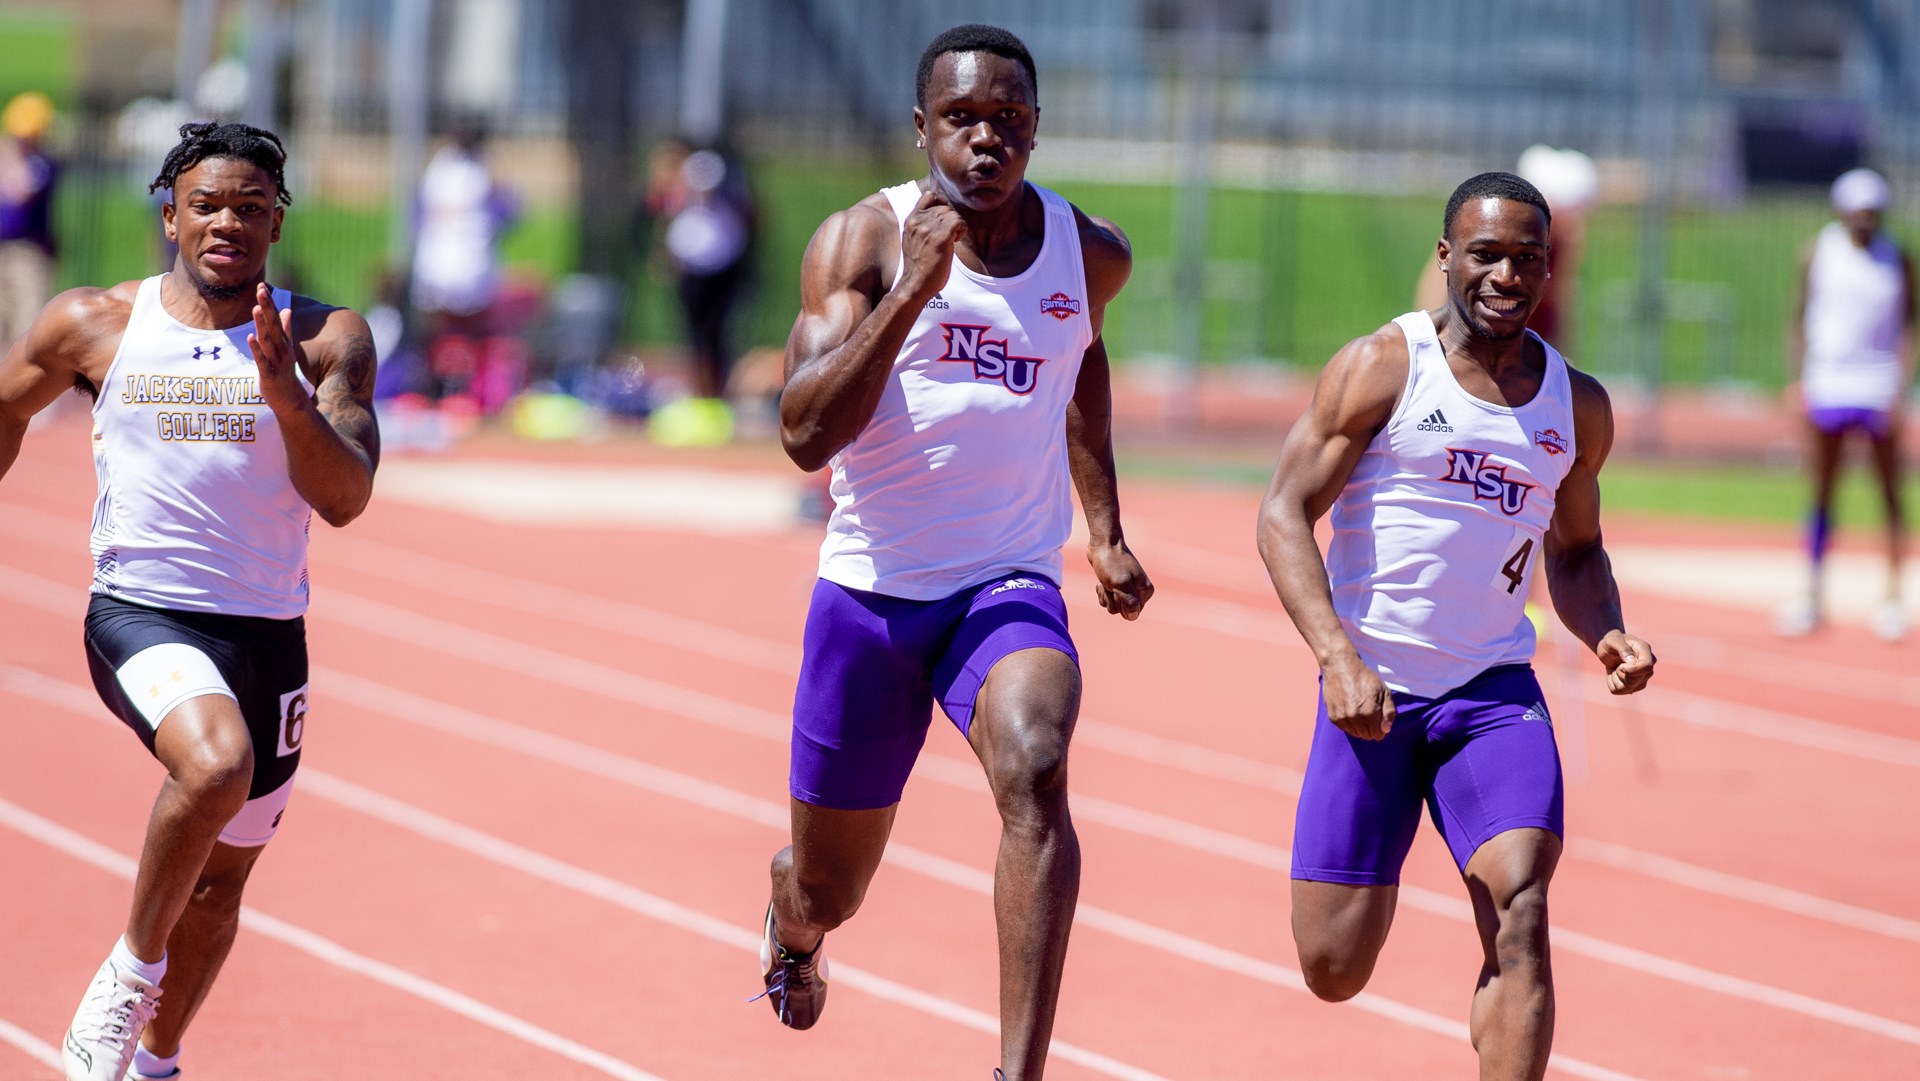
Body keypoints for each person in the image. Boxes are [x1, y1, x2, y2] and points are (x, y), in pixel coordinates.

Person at [757, 24, 1152, 1081]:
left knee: (1037, 759)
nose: (987, 140)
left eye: (1009, 121)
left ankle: (1016, 1069)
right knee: (831, 885)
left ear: (1036, 129)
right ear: (922, 127)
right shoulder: (864, 243)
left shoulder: (1088, 252)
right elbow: (802, 434)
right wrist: (911, 296)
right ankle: (794, 926)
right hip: (872, 596)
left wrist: (1102, 525)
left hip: (1006, 579)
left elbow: (1082, 360)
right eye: (964, 120)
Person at [0, 121, 379, 1081]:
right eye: (207, 205)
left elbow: (344, 500)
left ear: (278, 225)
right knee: (216, 767)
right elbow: (6, 405)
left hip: (269, 637)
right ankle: (126, 978)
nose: (227, 223)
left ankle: (156, 1061)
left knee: (220, 887)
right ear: (169, 216)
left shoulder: (326, 338)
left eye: (251, 208)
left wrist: (284, 393)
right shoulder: (94, 324)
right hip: (142, 613)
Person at [1257, 172, 1654, 1081]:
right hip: (1373, 697)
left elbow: (1579, 552)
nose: (1506, 275)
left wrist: (1608, 633)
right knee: (1332, 965)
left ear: (1549, 268)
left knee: (1522, 906)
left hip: (1491, 695)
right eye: (1485, 255)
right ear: (1446, 259)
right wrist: (1336, 658)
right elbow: (1283, 513)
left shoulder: (1575, 407)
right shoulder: (1382, 367)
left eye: (1527, 258)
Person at [1777, 167, 1915, 641]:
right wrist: (1798, 380)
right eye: (1858, 213)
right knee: (1821, 490)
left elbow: (1909, 324)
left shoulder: (1897, 257)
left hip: (1878, 384)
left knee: (1890, 492)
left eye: (1872, 214)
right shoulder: (1819, 251)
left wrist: (1901, 385)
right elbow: (1798, 316)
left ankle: (1894, 597)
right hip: (1828, 383)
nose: (1865, 221)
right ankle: (1812, 595)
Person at [647, 141, 758, 447]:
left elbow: (750, 220)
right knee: (693, 335)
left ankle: (716, 397)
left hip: (722, 272)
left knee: (717, 335)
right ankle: (699, 395)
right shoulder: (680, 199)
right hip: (691, 273)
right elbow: (663, 220)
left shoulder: (731, 201)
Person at [409, 118, 517, 410]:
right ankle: (454, 388)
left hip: (449, 258)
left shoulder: (441, 167)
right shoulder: (476, 169)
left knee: (447, 328)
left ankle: (453, 388)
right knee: (465, 329)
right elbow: (509, 212)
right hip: (461, 258)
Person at [0, 91, 60, 355]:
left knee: (25, 326)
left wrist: (10, 158)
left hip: (27, 254)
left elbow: (18, 192)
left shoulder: (41, 163)